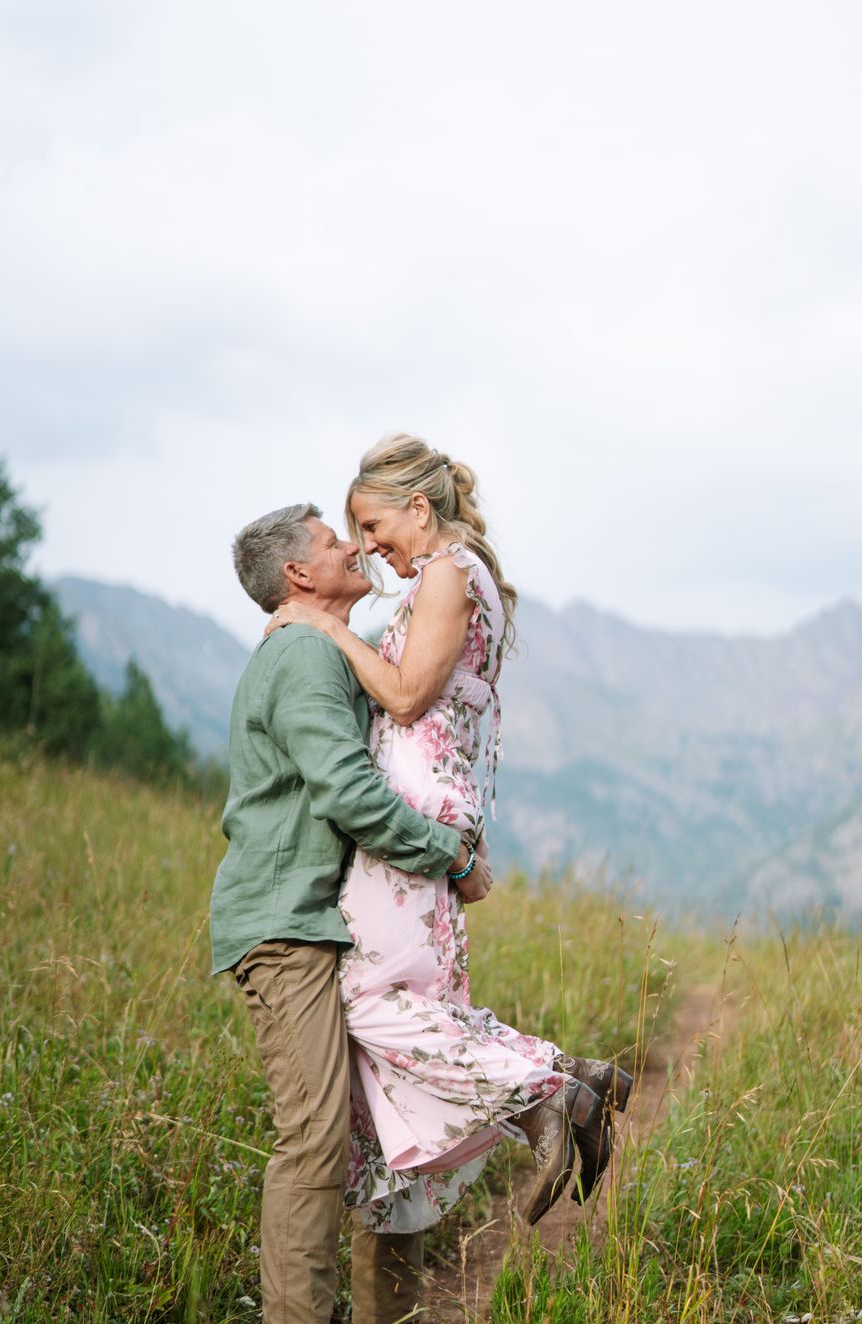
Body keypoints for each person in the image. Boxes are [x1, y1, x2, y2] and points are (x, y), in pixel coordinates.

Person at [265, 434, 633, 1256]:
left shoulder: (446, 573)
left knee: (363, 1007)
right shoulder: (462, 576)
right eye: (353, 533)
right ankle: (575, 1084)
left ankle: (551, 1094)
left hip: (412, 819)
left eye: (372, 524)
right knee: (422, 1014)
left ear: (420, 510)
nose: (366, 546)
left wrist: (321, 628)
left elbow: (403, 694)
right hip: (439, 810)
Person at [210, 503, 491, 1324]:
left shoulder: (325, 640)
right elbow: (348, 792)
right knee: (319, 1135)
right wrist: (449, 857)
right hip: (286, 925)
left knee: (386, 1126)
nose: (354, 547)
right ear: (298, 575)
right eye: (335, 542)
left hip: (335, 923)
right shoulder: (297, 660)